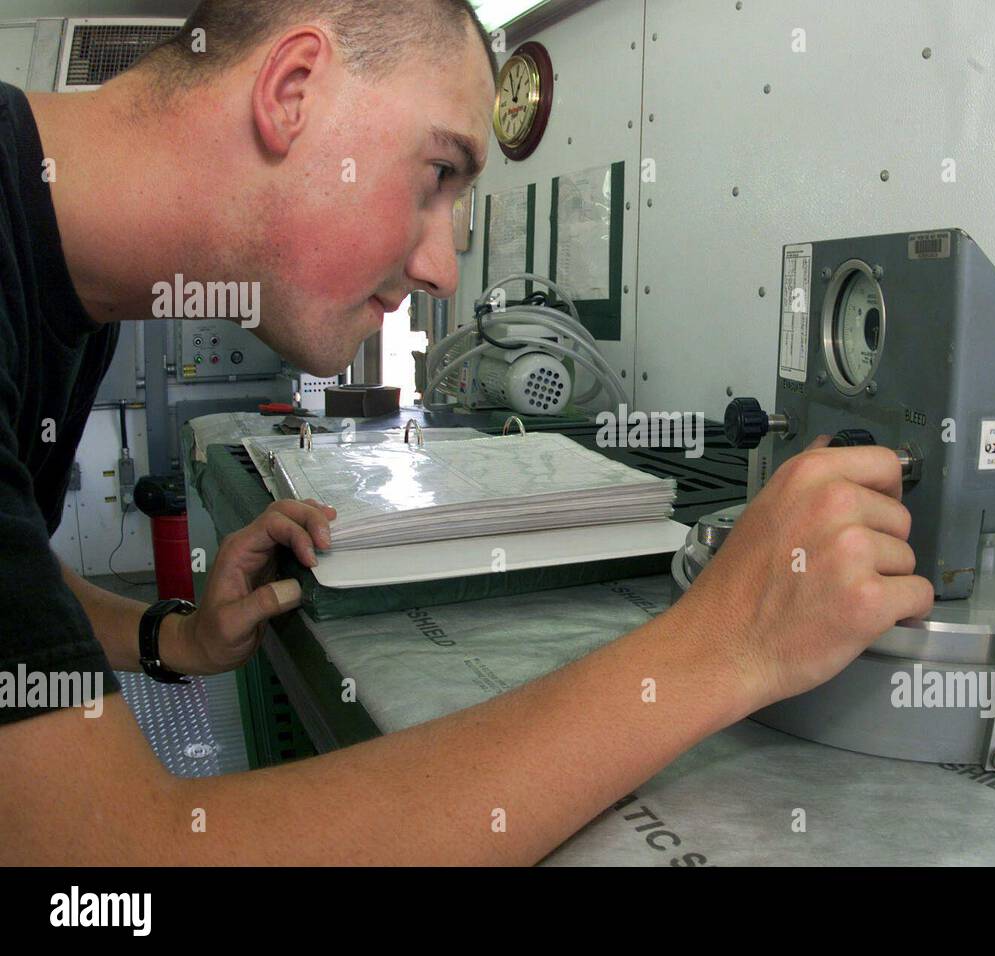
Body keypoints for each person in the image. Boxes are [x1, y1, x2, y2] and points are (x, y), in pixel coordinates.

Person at [0, 0, 932, 865]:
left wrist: (172, 638)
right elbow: (111, 869)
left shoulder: (75, 284)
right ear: (293, 92)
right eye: (439, 174)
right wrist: (731, 641)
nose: (446, 270)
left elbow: (22, 593)